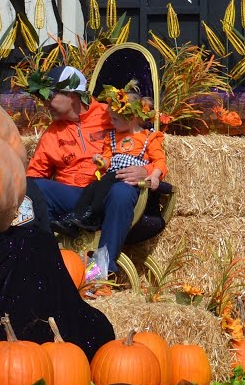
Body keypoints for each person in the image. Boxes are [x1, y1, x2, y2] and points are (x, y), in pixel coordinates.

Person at [24, 66, 151, 277]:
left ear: (71, 94)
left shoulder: (110, 113)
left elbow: (147, 141)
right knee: (30, 188)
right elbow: (34, 177)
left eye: (49, 96)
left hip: (110, 192)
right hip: (74, 199)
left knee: (122, 190)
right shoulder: (51, 134)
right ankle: (45, 266)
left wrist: (145, 170)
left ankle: (100, 273)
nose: (44, 104)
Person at [57, 82, 168, 233]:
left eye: (115, 119)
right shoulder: (112, 137)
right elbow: (108, 161)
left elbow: (159, 160)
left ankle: (92, 214)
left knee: (105, 181)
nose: (111, 123)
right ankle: (75, 216)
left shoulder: (149, 137)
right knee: (92, 187)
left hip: (129, 180)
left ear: (131, 119)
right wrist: (101, 161)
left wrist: (154, 176)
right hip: (113, 175)